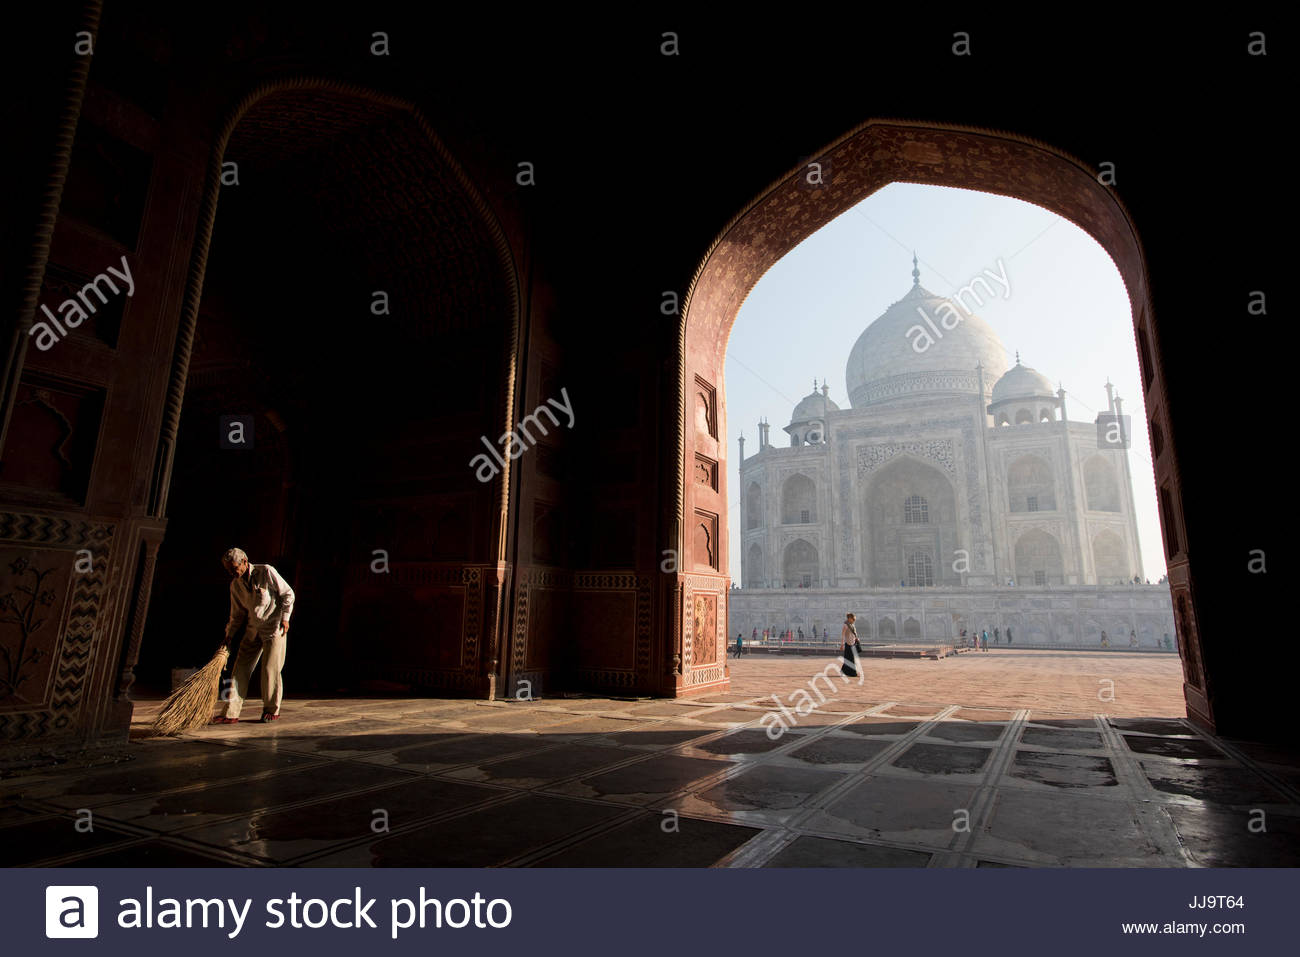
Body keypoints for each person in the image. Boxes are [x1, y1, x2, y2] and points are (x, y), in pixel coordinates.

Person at [212, 547, 295, 724]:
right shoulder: (235, 585)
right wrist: (229, 635)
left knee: (270, 669)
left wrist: (286, 619)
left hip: (274, 627)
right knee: (239, 669)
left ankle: (272, 709)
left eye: (234, 568)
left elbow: (288, 594)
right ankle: (230, 712)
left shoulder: (266, 571)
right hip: (253, 629)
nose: (232, 572)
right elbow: (237, 615)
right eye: (228, 569)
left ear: (244, 562)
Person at [841, 613, 861, 678]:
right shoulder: (845, 625)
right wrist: (842, 644)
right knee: (851, 659)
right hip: (848, 644)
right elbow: (843, 635)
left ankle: (843, 671)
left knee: (848, 658)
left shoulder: (852, 625)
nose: (854, 620)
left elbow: (854, 634)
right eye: (853, 619)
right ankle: (853, 673)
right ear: (849, 618)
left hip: (853, 643)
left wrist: (856, 638)